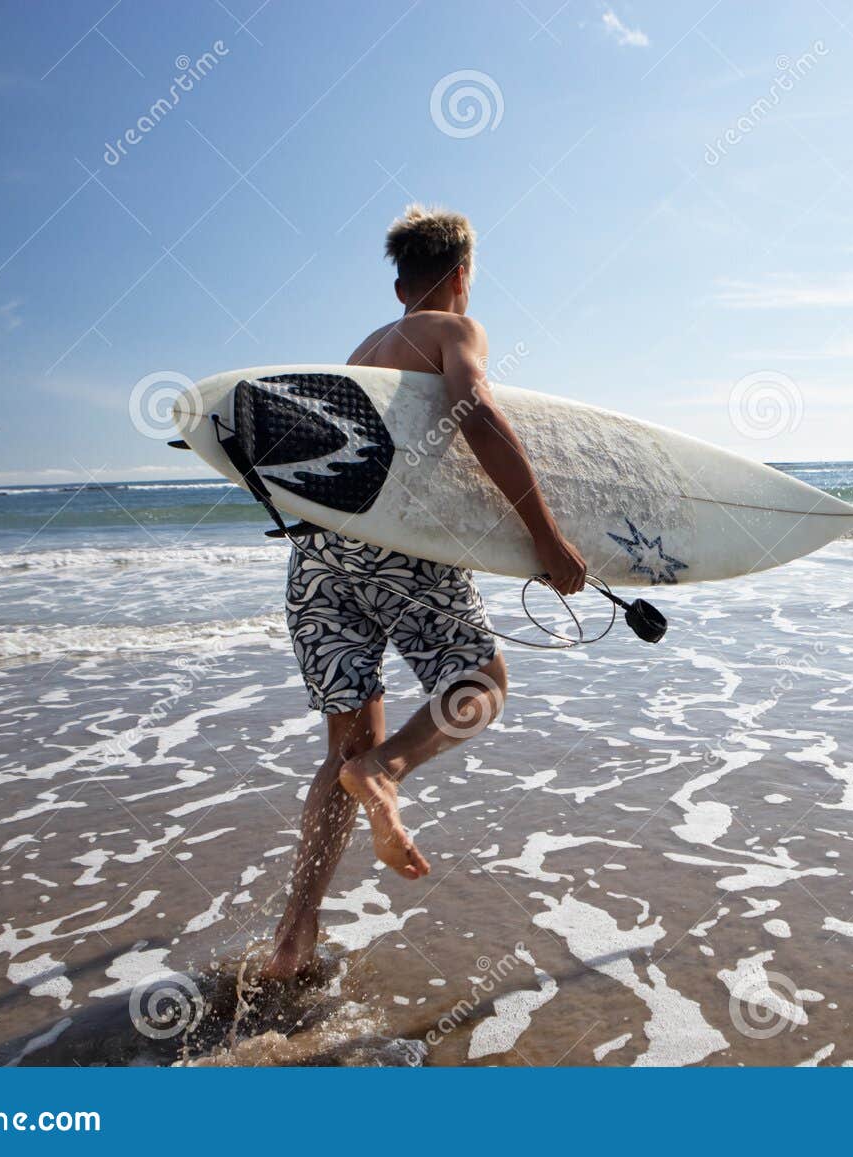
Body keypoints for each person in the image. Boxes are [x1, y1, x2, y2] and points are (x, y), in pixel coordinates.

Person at [261, 205, 587, 980]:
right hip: (402, 549)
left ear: (401, 280)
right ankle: (390, 772)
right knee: (481, 684)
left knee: (342, 748)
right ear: (463, 276)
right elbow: (475, 413)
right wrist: (543, 532)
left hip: (317, 559)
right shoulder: (452, 331)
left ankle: (292, 936)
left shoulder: (360, 354)